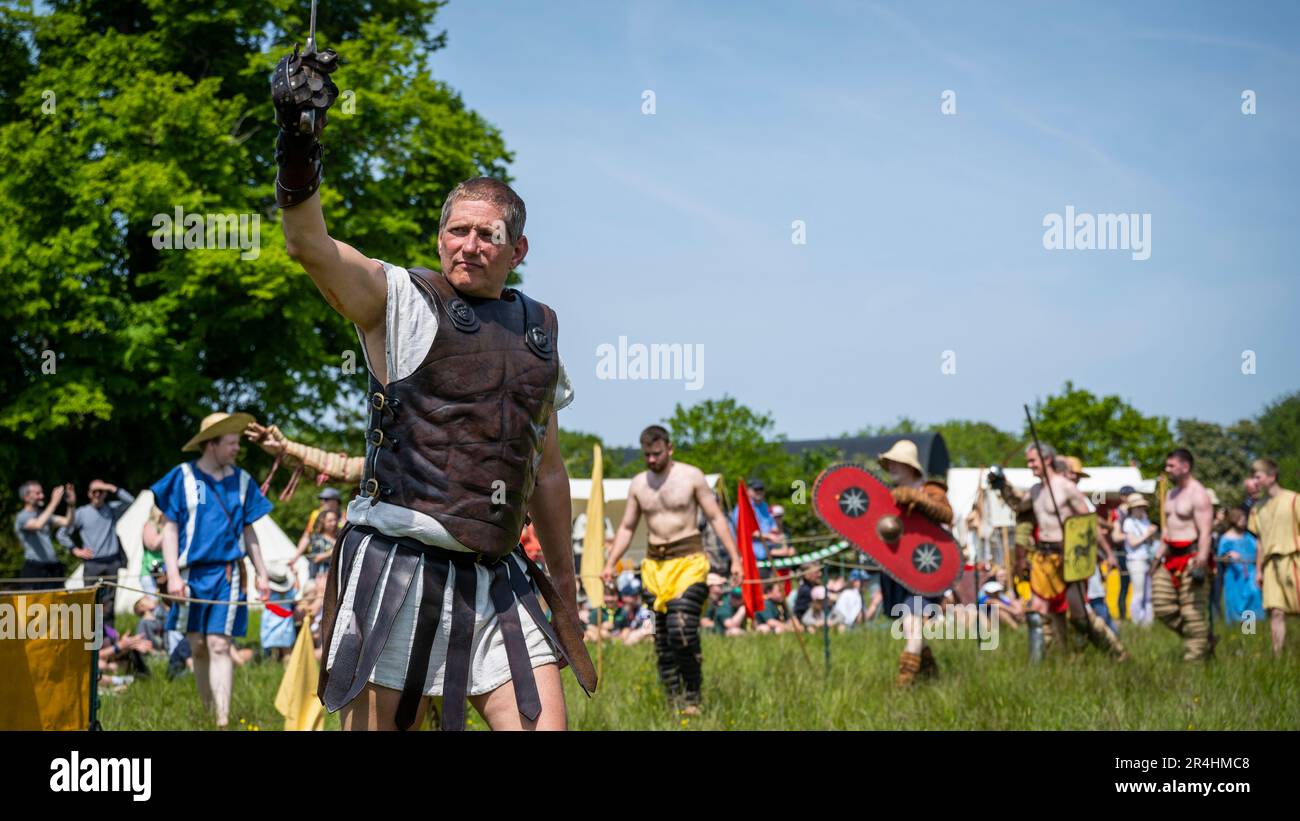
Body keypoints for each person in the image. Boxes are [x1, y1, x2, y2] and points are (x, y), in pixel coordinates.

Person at [277, 60, 598, 731]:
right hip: (397, 570)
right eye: (458, 230)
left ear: (518, 249)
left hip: (497, 578)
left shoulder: (540, 331)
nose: (470, 245)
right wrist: (298, 144)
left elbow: (546, 468)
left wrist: (566, 588)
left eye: (489, 234)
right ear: (440, 236)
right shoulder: (400, 300)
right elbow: (310, 246)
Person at [600, 425, 742, 714]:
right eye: (646, 455)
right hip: (653, 567)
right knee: (662, 641)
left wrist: (735, 559)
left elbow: (716, 518)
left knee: (682, 630)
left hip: (689, 562)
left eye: (656, 453)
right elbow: (627, 527)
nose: (651, 460)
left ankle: (693, 696)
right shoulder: (639, 484)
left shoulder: (692, 477)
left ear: (670, 448)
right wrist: (610, 562)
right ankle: (674, 703)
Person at [151, 412, 273, 728]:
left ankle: (221, 721)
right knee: (198, 645)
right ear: (212, 445)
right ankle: (207, 714)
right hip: (190, 574)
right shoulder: (182, 478)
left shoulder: (243, 481)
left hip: (227, 574)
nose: (236, 449)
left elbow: (250, 532)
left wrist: (262, 572)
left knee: (220, 643)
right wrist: (174, 576)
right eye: (231, 443)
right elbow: (170, 530)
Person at [991, 444, 1127, 662]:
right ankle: (1047, 664)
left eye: (1033, 461)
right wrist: (1002, 486)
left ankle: (1117, 654)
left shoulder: (1065, 487)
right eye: (1028, 461)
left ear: (1047, 460)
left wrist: (1108, 553)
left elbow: (1086, 524)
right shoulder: (1036, 491)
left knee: (1079, 617)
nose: (1030, 465)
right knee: (1039, 612)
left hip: (1068, 558)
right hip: (1043, 558)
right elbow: (1019, 505)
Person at [876, 439, 955, 685]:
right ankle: (930, 674)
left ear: (910, 466)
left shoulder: (931, 491)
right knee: (910, 624)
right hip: (898, 570)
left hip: (926, 568)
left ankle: (905, 684)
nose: (891, 467)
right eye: (889, 463)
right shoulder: (888, 496)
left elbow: (947, 515)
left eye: (897, 463)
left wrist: (918, 500)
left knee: (911, 620)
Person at [1152, 448, 1216, 661]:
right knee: (1161, 606)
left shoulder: (1199, 494)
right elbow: (1167, 530)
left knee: (1192, 613)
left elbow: (1206, 531)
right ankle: (1201, 637)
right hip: (1170, 556)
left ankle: (1195, 662)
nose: (1167, 469)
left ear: (1185, 466)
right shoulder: (1171, 494)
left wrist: (1202, 559)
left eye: (1171, 465)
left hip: (1192, 556)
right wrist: (1156, 558)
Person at [57, 479, 135, 628]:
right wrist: (75, 550)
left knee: (109, 602)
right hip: (93, 563)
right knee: (89, 600)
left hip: (112, 562)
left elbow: (130, 501)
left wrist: (110, 486)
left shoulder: (111, 509)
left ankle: (109, 636)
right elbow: (62, 534)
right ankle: (89, 636)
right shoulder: (81, 513)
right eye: (94, 491)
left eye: (101, 491)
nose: (97, 494)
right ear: (88, 494)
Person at [1247, 458, 1299, 656]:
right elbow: (1260, 541)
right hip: (1270, 565)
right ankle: (1277, 656)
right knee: (1276, 611)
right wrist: (1258, 570)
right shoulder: (1257, 508)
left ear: (1271, 476)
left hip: (1294, 559)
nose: (1255, 481)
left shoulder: (1294, 499)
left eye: (1258, 476)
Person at [13, 480, 75, 589]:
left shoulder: (44, 514)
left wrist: (71, 504)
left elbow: (67, 522)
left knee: (57, 606)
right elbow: (38, 525)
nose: (42, 496)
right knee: (33, 606)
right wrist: (54, 502)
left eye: (41, 493)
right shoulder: (22, 517)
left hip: (53, 568)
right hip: (34, 569)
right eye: (37, 493)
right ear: (26, 497)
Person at [1113, 493, 1157, 625]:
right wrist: (1147, 534)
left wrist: (1150, 536)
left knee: (1148, 593)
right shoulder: (1128, 522)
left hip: (1147, 559)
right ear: (1132, 509)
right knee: (1138, 593)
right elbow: (1132, 542)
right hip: (1135, 561)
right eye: (1138, 507)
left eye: (1142, 507)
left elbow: (1149, 542)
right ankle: (1137, 621)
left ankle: (1148, 623)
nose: (1141, 509)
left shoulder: (1145, 521)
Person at [1217, 507, 1263, 625]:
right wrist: (1229, 555)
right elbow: (1220, 558)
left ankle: (1250, 629)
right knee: (1236, 602)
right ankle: (1239, 629)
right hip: (1234, 575)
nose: (1243, 522)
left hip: (1251, 572)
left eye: (1244, 519)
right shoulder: (1226, 538)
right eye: (1241, 519)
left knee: (1253, 595)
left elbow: (1258, 550)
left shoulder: (1249, 536)